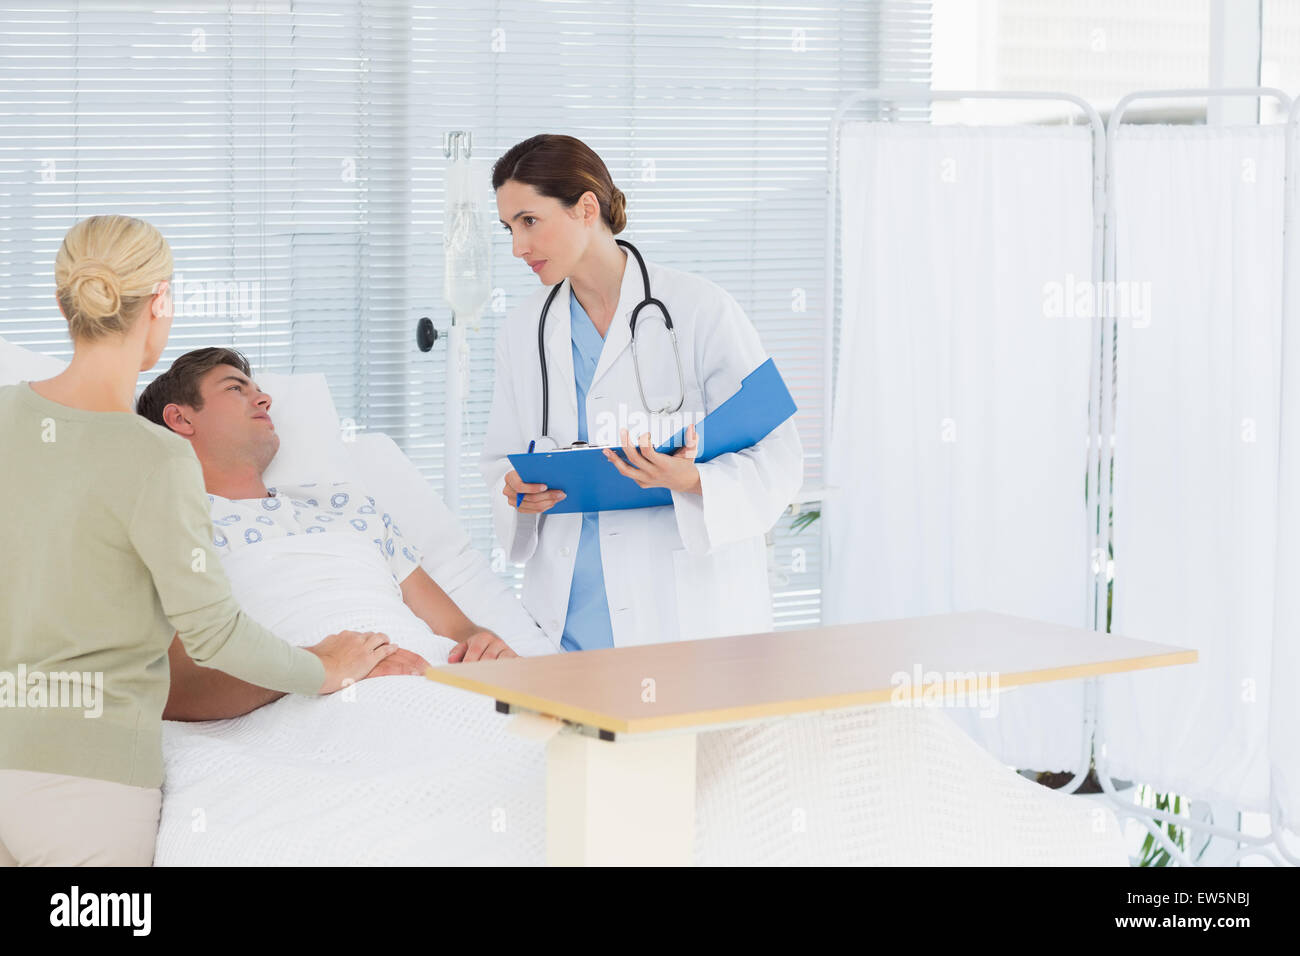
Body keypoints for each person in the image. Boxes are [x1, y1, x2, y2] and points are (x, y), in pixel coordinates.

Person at [0, 215, 403, 867]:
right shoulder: (156, 457)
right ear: (161, 304)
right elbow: (215, 634)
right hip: (87, 790)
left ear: (61, 303)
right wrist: (323, 666)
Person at [482, 134, 804, 651]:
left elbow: (779, 455)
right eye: (509, 228)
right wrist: (518, 493)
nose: (518, 247)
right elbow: (502, 461)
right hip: (565, 616)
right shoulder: (523, 331)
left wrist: (694, 479)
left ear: (586, 208)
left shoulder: (700, 309)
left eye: (529, 221)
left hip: (682, 612)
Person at [130, 347, 536, 720]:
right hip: (313, 701)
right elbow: (175, 691)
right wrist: (318, 669)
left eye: (259, 390)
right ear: (180, 418)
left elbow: (460, 631)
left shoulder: (348, 508)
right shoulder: (168, 526)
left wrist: (484, 644)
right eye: (236, 389)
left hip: (430, 674)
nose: (264, 399)